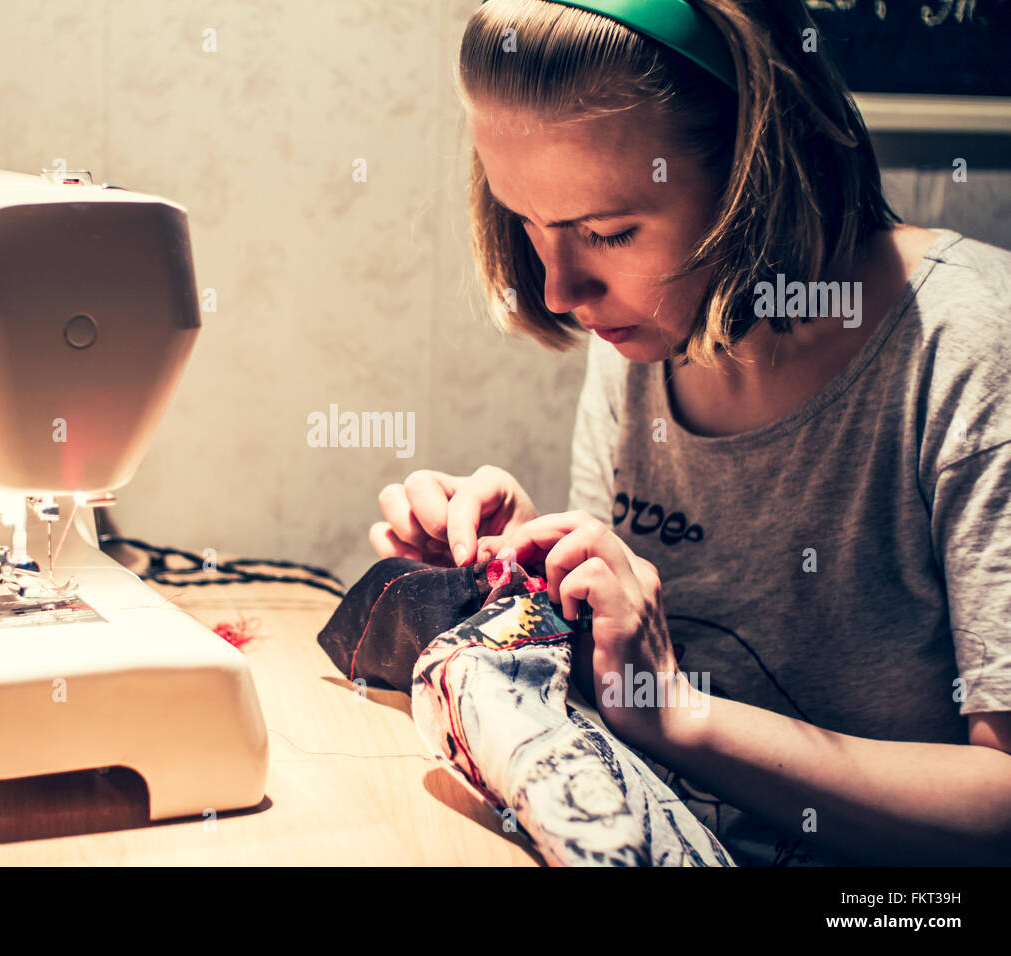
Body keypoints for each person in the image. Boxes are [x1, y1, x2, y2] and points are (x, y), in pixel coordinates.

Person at [371, 0, 1011, 865]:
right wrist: (521, 575)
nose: (559, 291)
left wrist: (679, 715)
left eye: (608, 233)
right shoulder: (640, 338)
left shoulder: (976, 348)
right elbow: (622, 683)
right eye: (527, 222)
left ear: (758, 172)